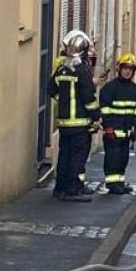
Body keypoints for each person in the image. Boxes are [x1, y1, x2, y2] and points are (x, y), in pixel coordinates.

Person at [48, 30, 101, 202]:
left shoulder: (61, 69)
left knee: (64, 155)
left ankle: (60, 188)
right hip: (79, 123)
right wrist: (95, 116)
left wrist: (64, 101)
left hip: (64, 123)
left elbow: (51, 90)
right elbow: (88, 98)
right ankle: (72, 190)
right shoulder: (82, 71)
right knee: (77, 156)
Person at [99, 53, 136, 194]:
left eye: (130, 69)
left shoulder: (135, 90)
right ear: (119, 69)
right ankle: (113, 186)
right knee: (112, 160)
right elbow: (105, 111)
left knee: (123, 159)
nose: (127, 71)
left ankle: (120, 183)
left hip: (127, 134)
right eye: (125, 68)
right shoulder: (109, 89)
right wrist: (108, 128)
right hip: (112, 134)